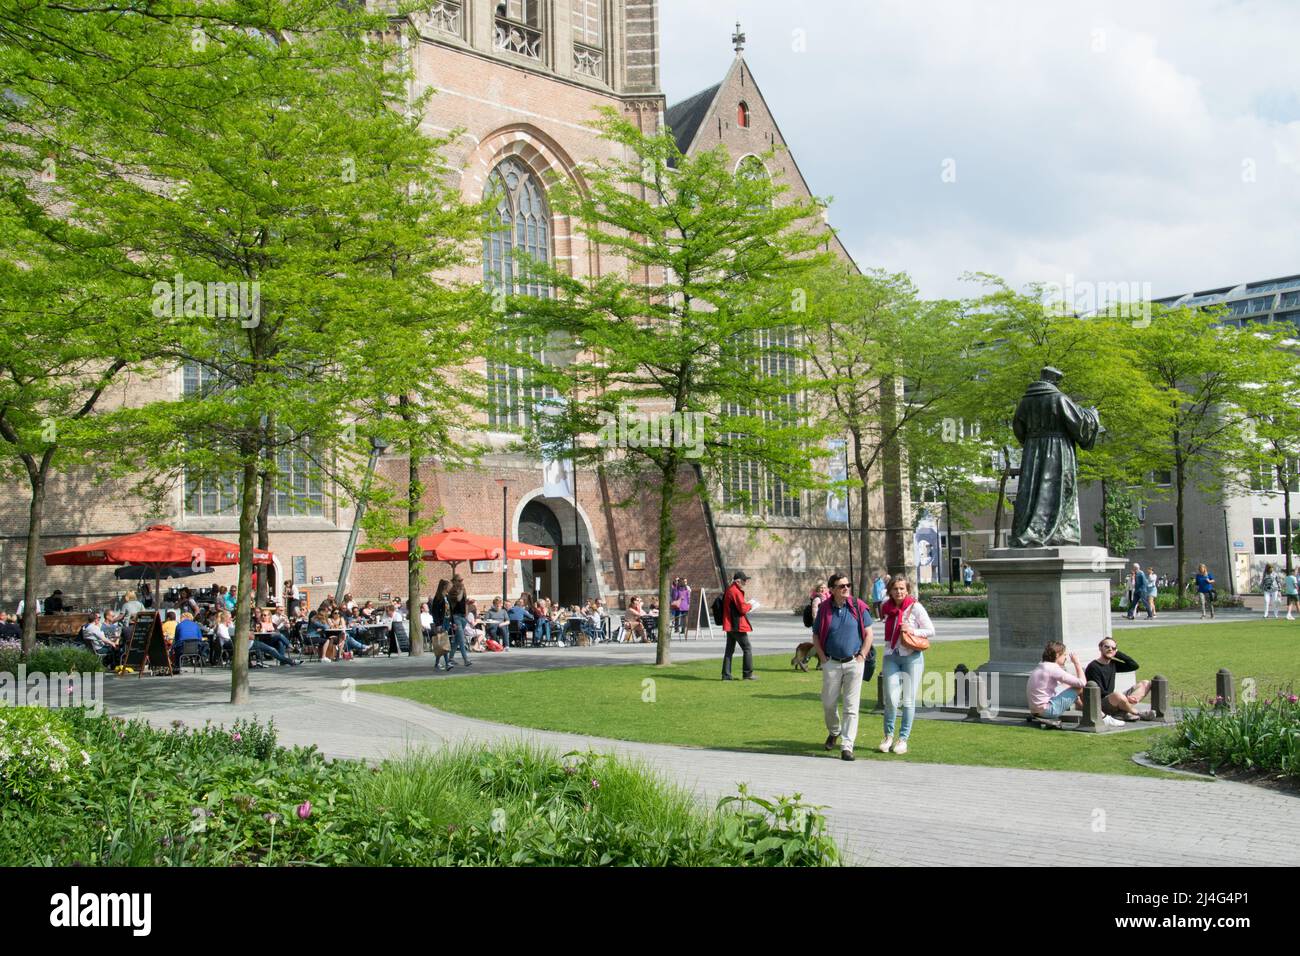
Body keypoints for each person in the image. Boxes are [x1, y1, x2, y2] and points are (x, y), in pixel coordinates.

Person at [812, 573, 874, 761]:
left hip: (854, 662)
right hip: (831, 662)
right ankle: (834, 731)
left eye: (848, 585)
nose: (846, 588)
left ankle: (847, 746)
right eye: (841, 586)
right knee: (829, 703)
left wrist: (862, 654)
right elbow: (815, 635)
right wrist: (822, 658)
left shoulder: (858, 606)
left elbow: (869, 633)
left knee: (851, 706)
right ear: (832, 590)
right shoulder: (824, 609)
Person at [877, 574, 933, 756]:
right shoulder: (887, 607)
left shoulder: (915, 607)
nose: (899, 591)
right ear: (890, 591)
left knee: (908, 700)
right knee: (891, 699)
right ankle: (888, 736)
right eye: (895, 588)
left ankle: (903, 739)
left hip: (912, 657)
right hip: (891, 656)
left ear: (907, 590)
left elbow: (931, 630)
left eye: (902, 588)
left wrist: (912, 629)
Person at [1085, 638, 1154, 722]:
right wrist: (1124, 699)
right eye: (1107, 647)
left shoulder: (1113, 664)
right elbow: (1100, 692)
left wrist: (1117, 653)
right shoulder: (1093, 667)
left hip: (1114, 700)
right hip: (1101, 704)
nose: (1110, 649)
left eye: (1113, 648)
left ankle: (1121, 714)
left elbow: (1134, 666)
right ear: (1100, 648)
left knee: (1145, 683)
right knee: (1117, 695)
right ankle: (1137, 713)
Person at [1026, 641, 1086, 720]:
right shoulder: (1052, 668)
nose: (1066, 658)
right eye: (1064, 655)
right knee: (1079, 688)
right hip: (1047, 711)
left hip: (1036, 710)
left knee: (1068, 686)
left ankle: (1083, 708)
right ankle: (1094, 715)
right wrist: (1077, 663)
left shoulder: (1042, 665)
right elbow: (1082, 683)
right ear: (1057, 655)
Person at [720, 571, 756, 681]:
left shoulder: (730, 590)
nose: (745, 583)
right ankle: (747, 674)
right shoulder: (735, 591)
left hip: (730, 625)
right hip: (736, 625)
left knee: (729, 650)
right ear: (738, 581)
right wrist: (751, 605)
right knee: (747, 648)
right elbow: (742, 608)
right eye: (744, 581)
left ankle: (726, 675)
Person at [448, 577, 472, 667]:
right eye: (459, 581)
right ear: (454, 581)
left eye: (462, 580)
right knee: (461, 639)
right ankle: (466, 660)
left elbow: (462, 601)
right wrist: (462, 589)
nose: (461, 582)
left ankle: (450, 658)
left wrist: (468, 602)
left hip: (463, 616)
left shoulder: (462, 589)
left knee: (457, 640)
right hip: (456, 616)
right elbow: (458, 599)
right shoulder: (452, 591)